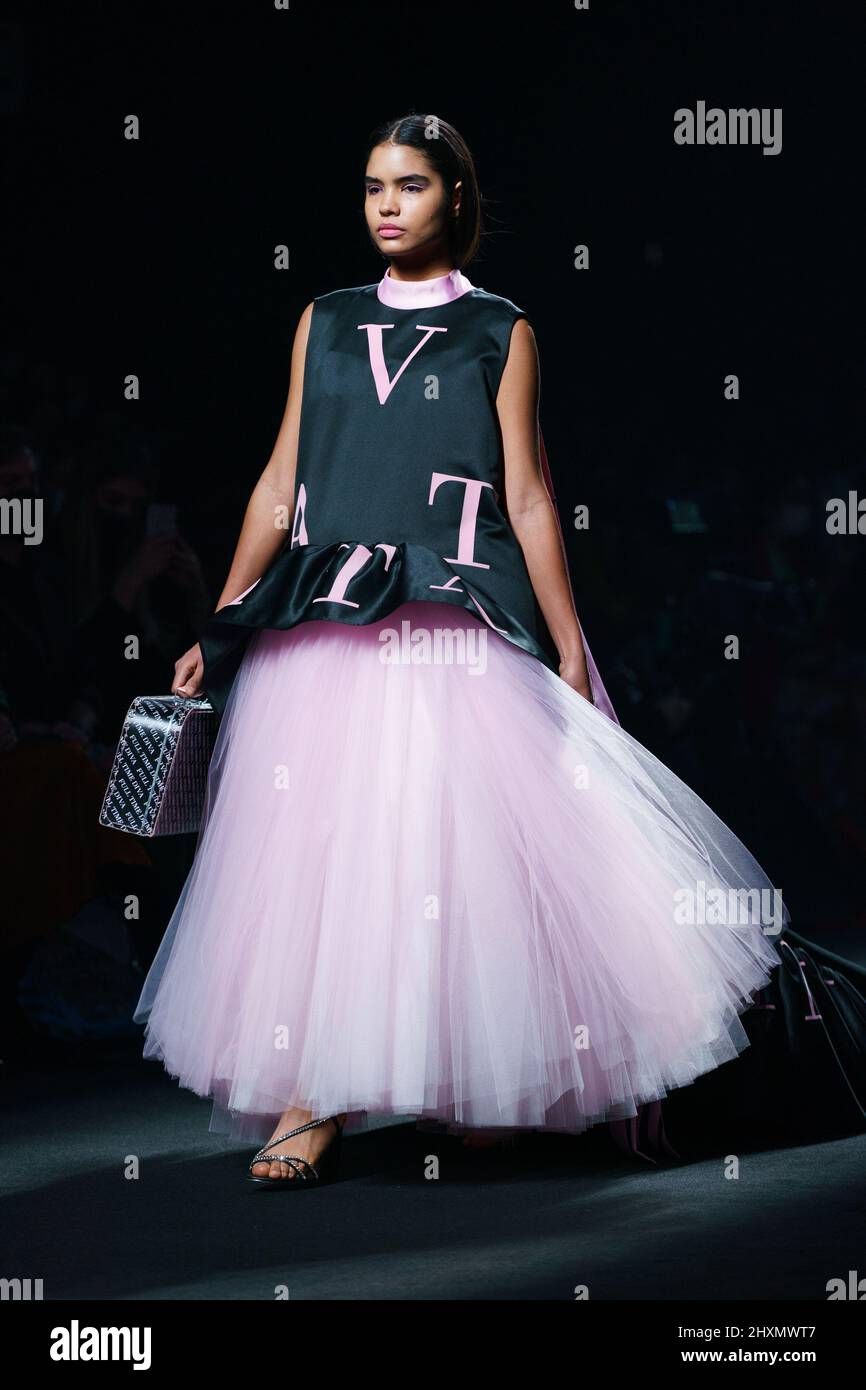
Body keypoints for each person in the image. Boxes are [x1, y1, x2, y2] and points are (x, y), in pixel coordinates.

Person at [132, 114, 785, 1188]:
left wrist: (568, 642)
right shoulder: (326, 319)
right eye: (371, 187)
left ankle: (481, 1083)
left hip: (453, 617)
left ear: (454, 200)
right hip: (324, 623)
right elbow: (279, 479)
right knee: (321, 858)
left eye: (410, 186)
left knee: (445, 855)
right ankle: (313, 1094)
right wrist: (223, 614)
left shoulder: (498, 329)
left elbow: (527, 493)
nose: (386, 204)